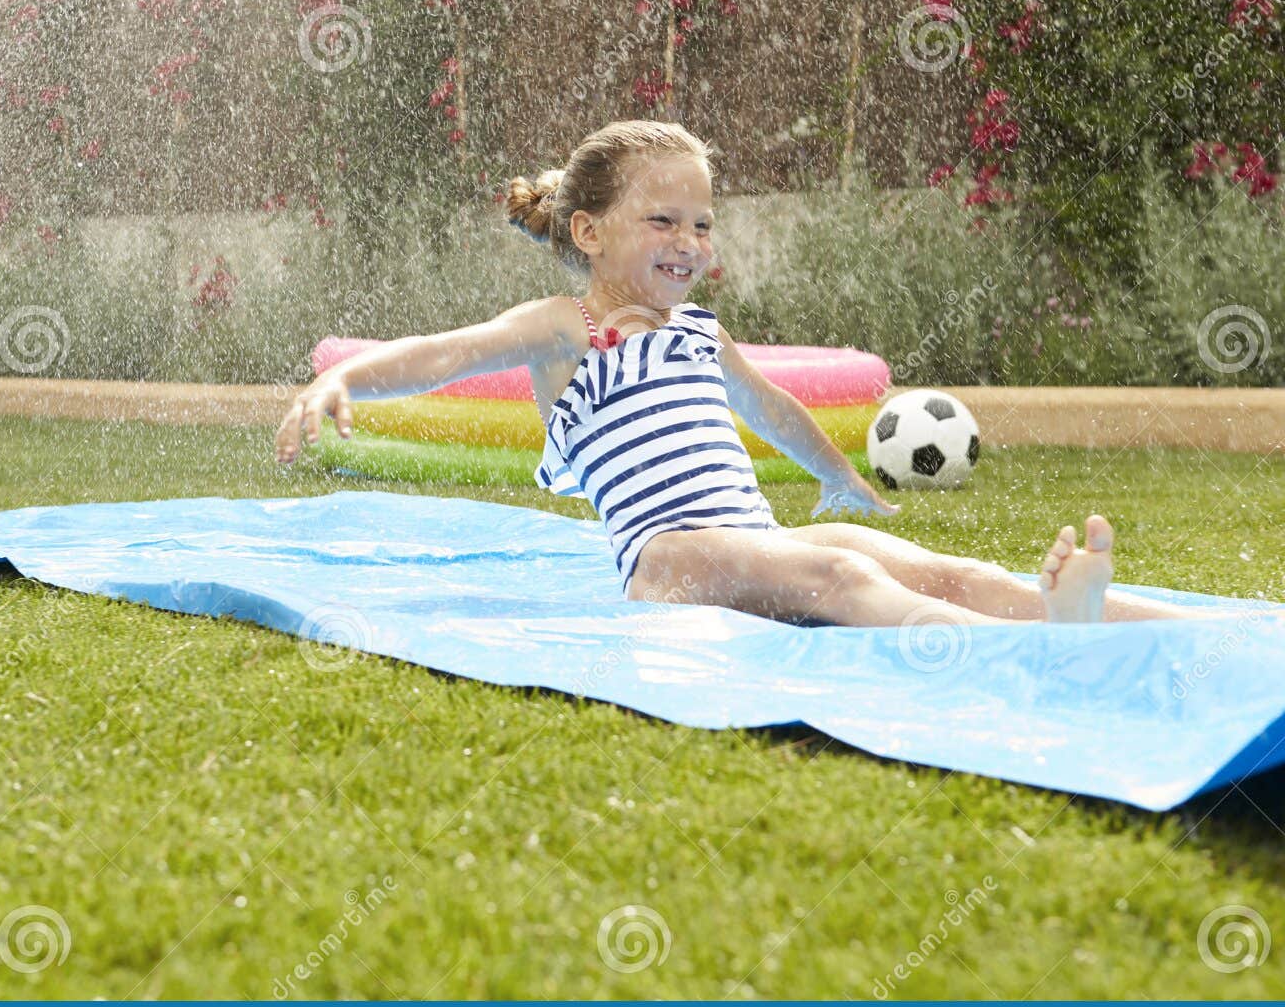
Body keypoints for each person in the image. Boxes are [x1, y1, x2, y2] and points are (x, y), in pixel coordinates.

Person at [275, 119, 1250, 627]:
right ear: (588, 231)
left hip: (751, 534)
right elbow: (447, 352)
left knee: (945, 568)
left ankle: (1167, 629)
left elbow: (773, 409)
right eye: (661, 220)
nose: (688, 239)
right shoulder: (563, 327)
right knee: (833, 571)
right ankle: (1044, 648)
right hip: (667, 556)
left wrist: (836, 476)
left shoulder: (699, 330)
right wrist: (345, 378)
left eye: (701, 222)